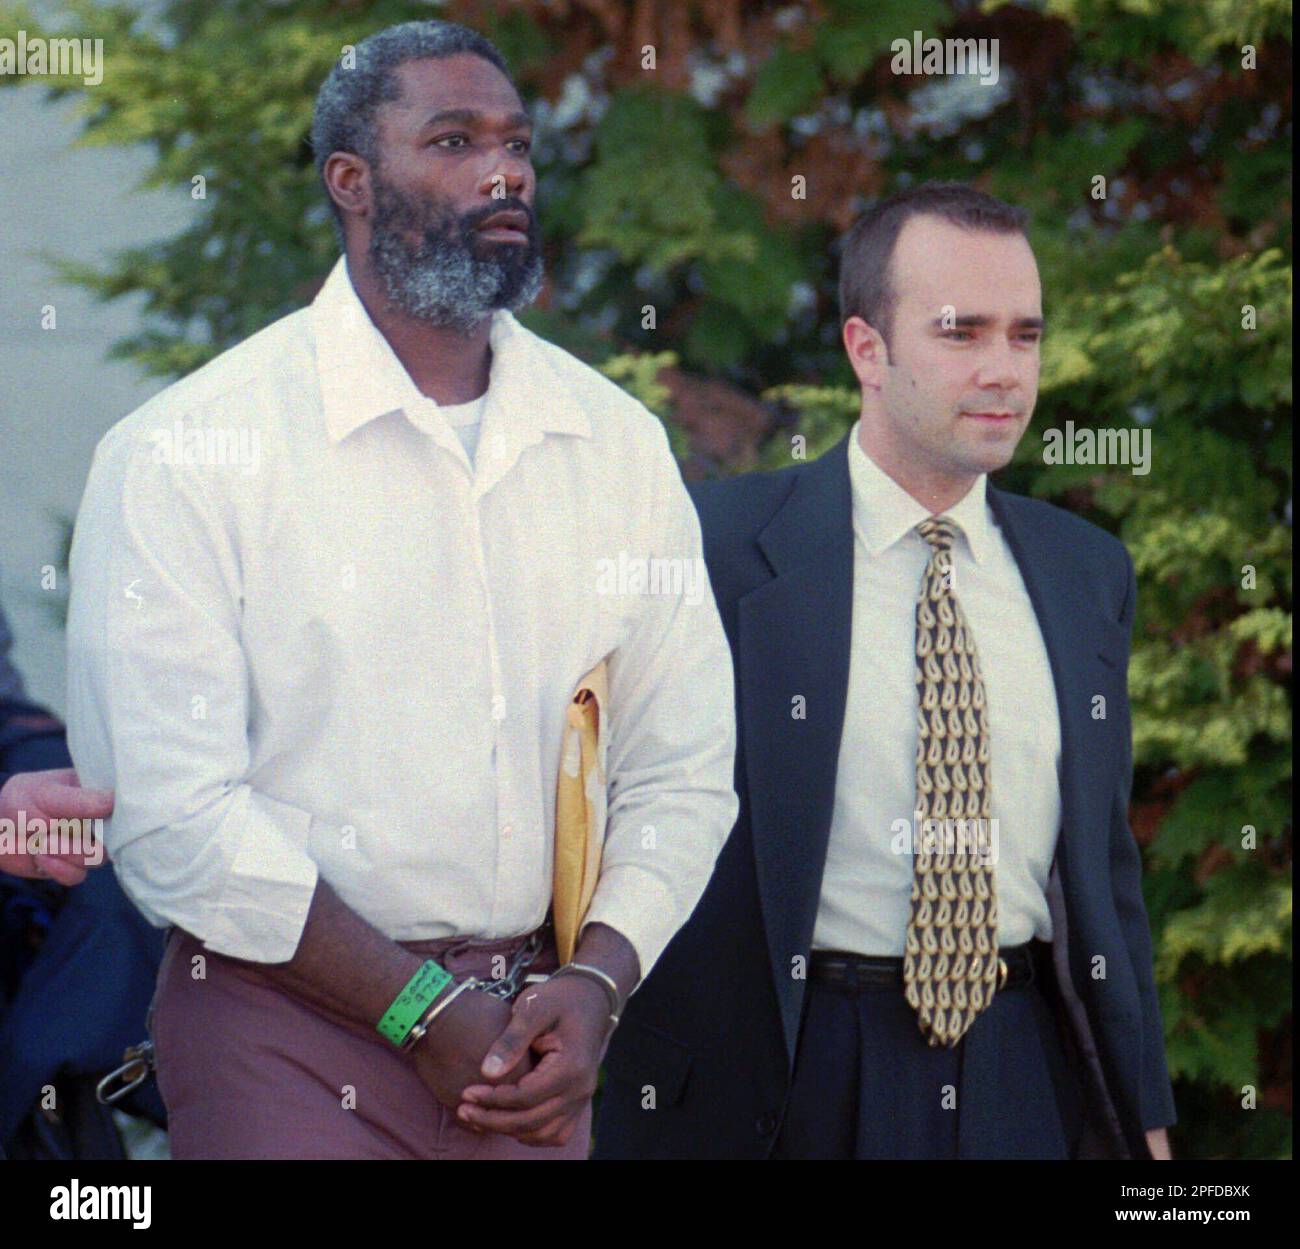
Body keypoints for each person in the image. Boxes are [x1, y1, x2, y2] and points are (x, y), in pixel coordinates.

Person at [65, 20, 737, 1161]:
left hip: (527, 1044)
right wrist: (416, 1007)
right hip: (277, 1028)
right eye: (453, 139)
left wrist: (598, 981)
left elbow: (681, 764)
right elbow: (172, 812)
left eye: (518, 143)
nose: (504, 170)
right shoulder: (188, 447)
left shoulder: (614, 445)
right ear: (352, 181)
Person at [595, 182, 1176, 1160]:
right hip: (788, 1072)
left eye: (1024, 336)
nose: (1003, 370)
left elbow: (1104, 880)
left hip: (1020, 1071)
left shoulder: (1086, 572)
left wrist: (1145, 1129)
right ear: (867, 349)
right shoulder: (713, 549)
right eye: (961, 332)